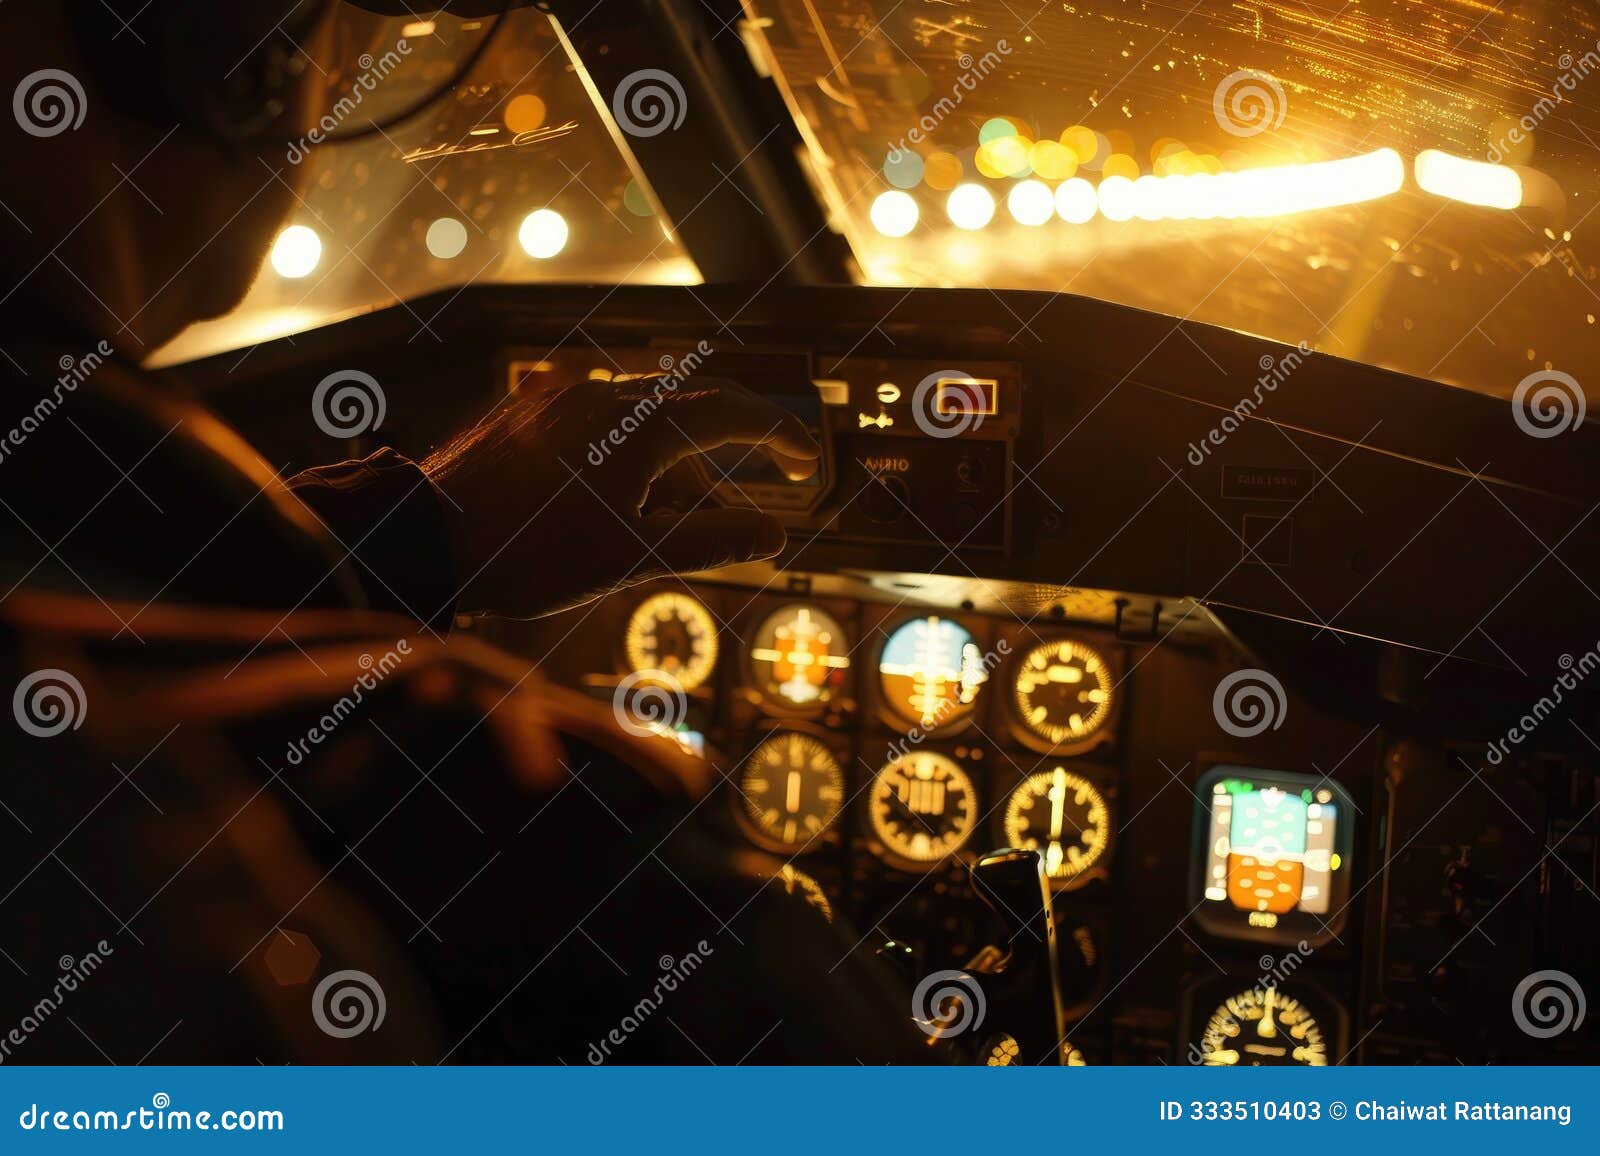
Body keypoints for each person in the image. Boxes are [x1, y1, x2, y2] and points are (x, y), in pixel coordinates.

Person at [0, 1, 927, 1063]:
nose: (333, 74)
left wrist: (415, 530)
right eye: (347, 29)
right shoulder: (507, 827)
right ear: (233, 55)